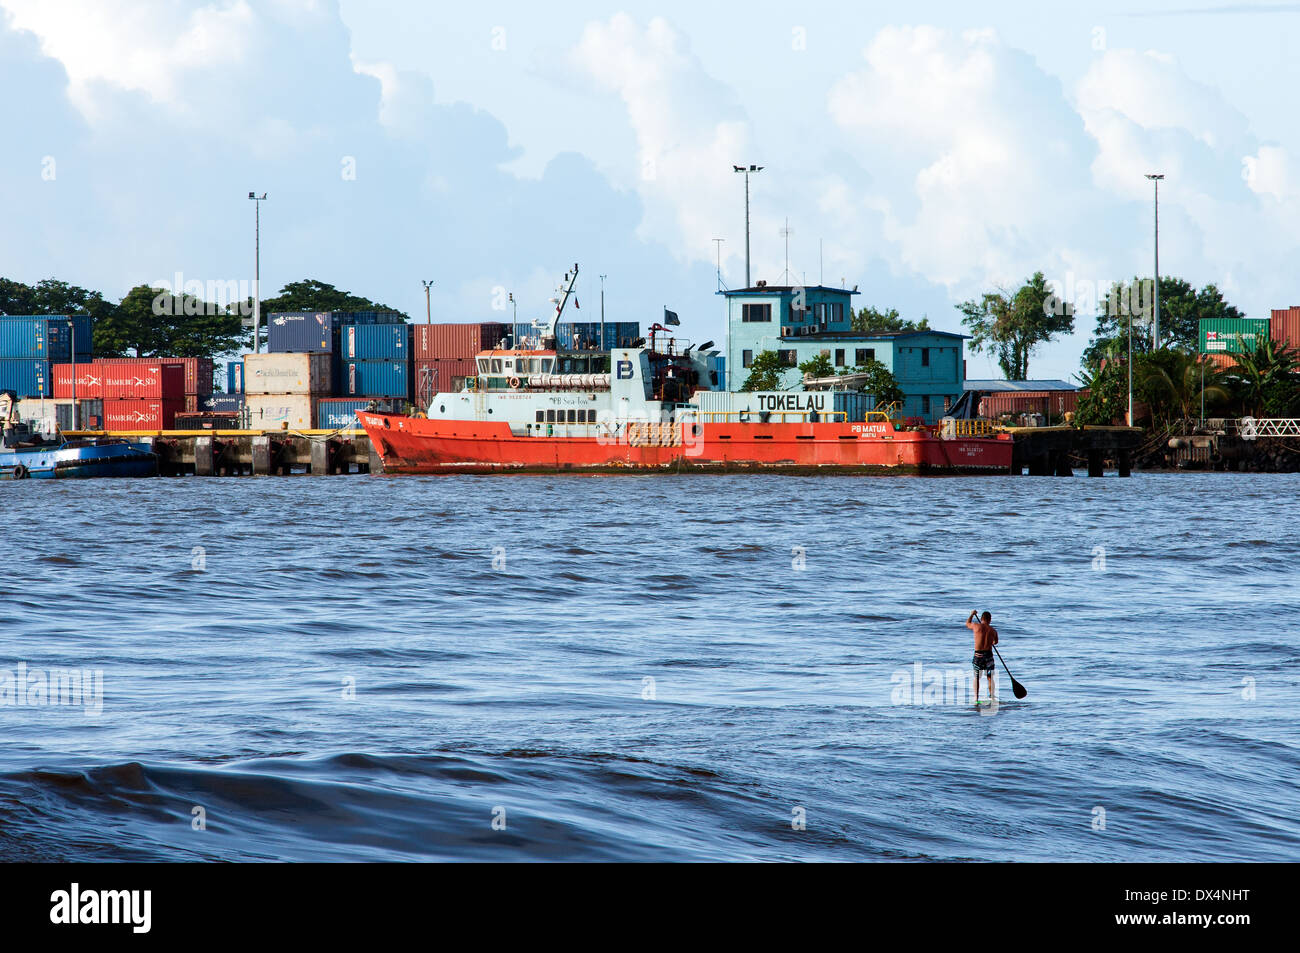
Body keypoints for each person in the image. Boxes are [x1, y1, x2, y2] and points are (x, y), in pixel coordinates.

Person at [966, 609, 999, 702]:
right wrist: (990, 641)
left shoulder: (976, 626)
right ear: (990, 619)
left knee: (977, 677)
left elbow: (967, 624)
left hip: (978, 655)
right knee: (990, 677)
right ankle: (992, 697)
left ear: (981, 618)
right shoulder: (993, 631)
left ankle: (976, 698)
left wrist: (972, 615)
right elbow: (995, 642)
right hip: (989, 656)